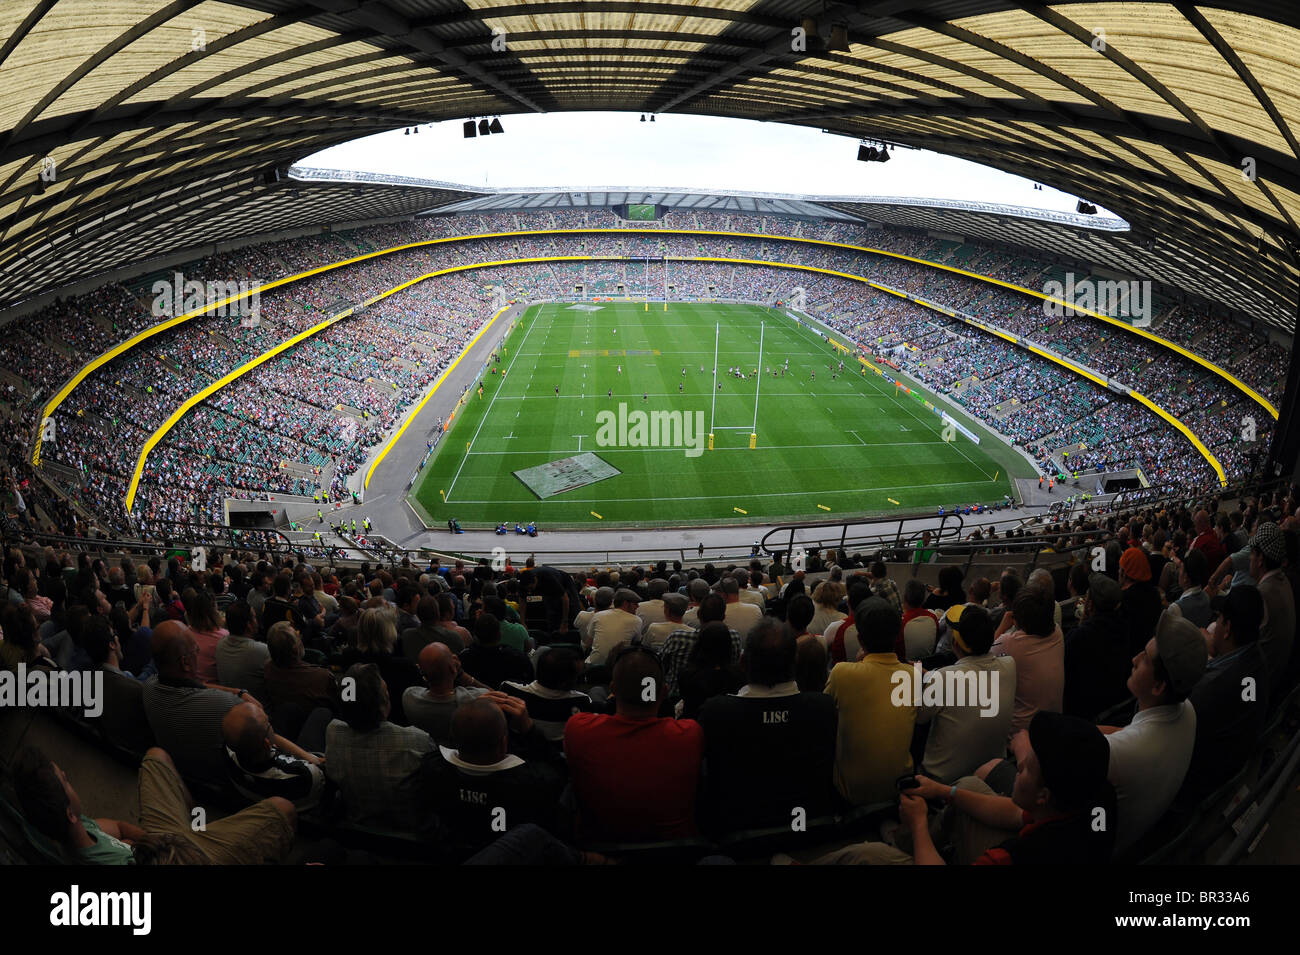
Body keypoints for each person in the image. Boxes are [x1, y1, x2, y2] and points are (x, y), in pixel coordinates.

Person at [11, 745, 295, 865]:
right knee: (283, 809)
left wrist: (157, 840)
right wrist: (176, 847)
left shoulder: (77, 828)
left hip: (163, 843)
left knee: (155, 756)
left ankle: (196, 824)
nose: (70, 779)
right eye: (65, 780)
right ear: (69, 813)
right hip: (185, 859)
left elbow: (120, 826)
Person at [696, 619, 838, 834]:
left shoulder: (716, 712)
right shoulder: (823, 708)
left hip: (736, 831)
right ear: (794, 662)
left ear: (742, 662)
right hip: (806, 829)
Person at [565, 644, 705, 842]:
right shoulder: (690, 733)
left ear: (612, 689)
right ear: (664, 692)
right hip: (674, 852)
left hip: (599, 845)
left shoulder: (578, 728)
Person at [1101, 610, 1206, 856]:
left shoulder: (1123, 751)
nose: (1134, 659)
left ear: (1159, 686)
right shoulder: (1187, 711)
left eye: (1145, 659)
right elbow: (1128, 733)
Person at [412, 694, 568, 857]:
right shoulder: (534, 782)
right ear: (503, 743)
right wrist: (529, 730)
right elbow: (560, 772)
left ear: (454, 738)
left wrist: (471, 716)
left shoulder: (431, 769)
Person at [1180, 586, 1268, 804]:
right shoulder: (1258, 660)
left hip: (1195, 784)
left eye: (1219, 619)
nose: (1216, 624)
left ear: (1227, 628)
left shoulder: (1212, 687)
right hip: (1233, 763)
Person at [824, 597, 915, 805]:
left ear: (860, 640)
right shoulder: (913, 675)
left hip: (849, 791)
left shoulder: (842, 673)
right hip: (898, 787)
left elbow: (825, 714)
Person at [324, 663, 434, 831]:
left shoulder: (332, 732)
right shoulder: (416, 740)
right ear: (384, 701)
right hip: (408, 835)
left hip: (357, 830)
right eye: (385, 691)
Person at [916, 605, 1016, 784]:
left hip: (941, 780)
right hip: (991, 772)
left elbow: (919, 718)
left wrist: (924, 679)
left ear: (955, 644)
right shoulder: (1009, 665)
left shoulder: (942, 679)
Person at [1062, 574, 1130, 721]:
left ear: (1090, 604)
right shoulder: (1126, 629)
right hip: (1115, 710)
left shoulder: (1078, 637)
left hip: (1083, 716)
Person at [403, 642, 490, 744]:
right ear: (453, 669)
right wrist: (462, 674)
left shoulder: (409, 697)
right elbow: (497, 696)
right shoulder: (474, 700)